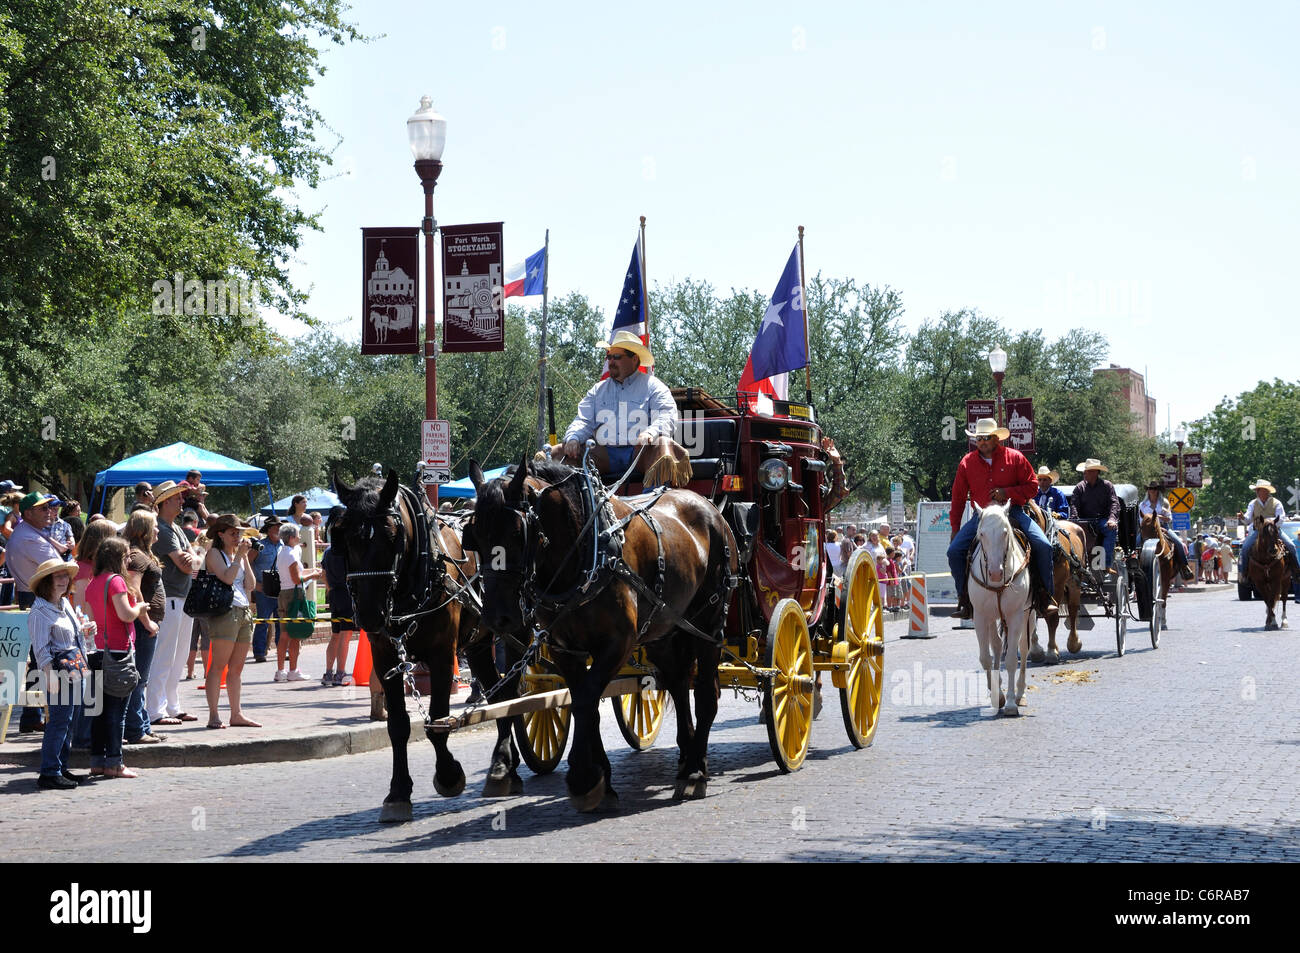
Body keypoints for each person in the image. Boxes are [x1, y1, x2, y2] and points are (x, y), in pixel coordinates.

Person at [550, 330, 691, 487]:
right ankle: (576, 507)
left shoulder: (654, 386)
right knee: (558, 452)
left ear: (634, 359)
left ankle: (653, 503)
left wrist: (650, 433)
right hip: (605, 455)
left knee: (663, 444)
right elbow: (583, 420)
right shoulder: (598, 390)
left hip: (640, 453)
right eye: (609, 357)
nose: (611, 362)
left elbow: (667, 416)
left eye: (617, 357)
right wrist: (573, 438)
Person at [947, 418, 1057, 619]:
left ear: (996, 438)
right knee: (954, 552)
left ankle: (1044, 596)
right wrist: (955, 528)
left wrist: (1007, 493)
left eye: (986, 438)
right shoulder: (966, 463)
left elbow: (1032, 487)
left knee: (1043, 546)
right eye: (978, 439)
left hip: (1013, 512)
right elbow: (958, 498)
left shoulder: (1015, 458)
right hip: (982, 517)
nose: (982, 442)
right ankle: (964, 599)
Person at [86, 537, 152, 778]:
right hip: (118, 651)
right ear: (117, 557)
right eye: (126, 556)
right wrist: (141, 609)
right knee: (117, 711)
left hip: (98, 650)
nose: (128, 561)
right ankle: (115, 762)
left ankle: (97, 760)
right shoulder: (116, 581)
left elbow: (93, 618)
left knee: (99, 710)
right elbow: (125, 615)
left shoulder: (94, 583)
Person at [28, 558, 94, 789]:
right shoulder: (39, 610)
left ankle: (59, 767)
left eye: (66, 576)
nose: (64, 581)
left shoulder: (64, 603)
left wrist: (87, 629)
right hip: (60, 671)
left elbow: (74, 635)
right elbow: (41, 648)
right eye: (58, 577)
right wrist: (49, 675)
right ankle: (49, 772)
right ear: (46, 582)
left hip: (75, 667)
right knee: (59, 722)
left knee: (69, 721)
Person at [6, 492, 65, 732]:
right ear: (28, 513)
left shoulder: (28, 534)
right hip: (39, 597)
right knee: (43, 658)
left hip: (33, 596)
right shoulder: (30, 538)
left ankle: (33, 715)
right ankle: (36, 715)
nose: (48, 512)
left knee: (40, 660)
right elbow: (59, 566)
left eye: (49, 508)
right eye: (42, 509)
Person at [146, 481, 200, 727]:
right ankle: (155, 709)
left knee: (178, 657)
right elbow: (187, 564)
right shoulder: (163, 529)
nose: (182, 501)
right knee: (165, 655)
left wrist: (192, 557)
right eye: (177, 498)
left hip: (182, 597)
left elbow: (194, 559)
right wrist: (192, 557)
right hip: (169, 598)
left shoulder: (175, 528)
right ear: (165, 501)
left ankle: (172, 705)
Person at [202, 515, 261, 728]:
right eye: (233, 533)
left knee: (237, 669)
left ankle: (236, 714)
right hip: (225, 613)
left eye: (239, 533)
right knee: (218, 666)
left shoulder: (239, 555)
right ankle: (213, 714)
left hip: (243, 611)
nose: (237, 537)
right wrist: (238, 558)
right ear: (221, 534)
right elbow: (226, 578)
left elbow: (251, 584)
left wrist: (244, 557)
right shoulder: (214, 554)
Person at [122, 511, 165, 745]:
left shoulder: (142, 553)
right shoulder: (137, 556)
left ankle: (142, 726)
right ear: (145, 529)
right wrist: (146, 620)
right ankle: (136, 729)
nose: (158, 530)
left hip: (146, 624)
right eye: (155, 526)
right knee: (139, 678)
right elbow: (133, 587)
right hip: (142, 626)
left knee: (142, 678)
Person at [273, 522, 322, 682]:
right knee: (294, 634)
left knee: (284, 634)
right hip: (294, 595)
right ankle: (293, 670)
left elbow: (295, 574)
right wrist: (313, 576)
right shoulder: (292, 554)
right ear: (292, 537)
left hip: (283, 593)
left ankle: (281, 671)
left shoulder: (282, 551)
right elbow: (297, 579)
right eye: (298, 535)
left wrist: (310, 571)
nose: (300, 537)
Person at [320, 506, 355, 686]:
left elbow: (323, 573)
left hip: (334, 594)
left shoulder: (327, 551)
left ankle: (328, 673)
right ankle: (340, 673)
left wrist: (329, 589)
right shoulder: (347, 551)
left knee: (335, 635)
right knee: (345, 635)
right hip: (346, 594)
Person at [1238, 479, 1299, 576]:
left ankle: (1296, 571)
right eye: (1257, 490)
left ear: (1266, 491)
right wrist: (1242, 517)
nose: (1257, 492)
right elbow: (1248, 519)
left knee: (1291, 546)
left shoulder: (1276, 503)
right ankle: (1244, 573)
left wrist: (1269, 523)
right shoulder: (1253, 503)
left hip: (1274, 531)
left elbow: (1281, 518)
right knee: (1245, 548)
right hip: (1258, 531)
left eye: (1260, 490)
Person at [1069, 459, 1121, 570]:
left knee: (1110, 529)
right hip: (1083, 521)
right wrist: (1074, 519)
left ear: (1095, 472)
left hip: (1102, 520)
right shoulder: (1079, 487)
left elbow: (1114, 504)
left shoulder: (1107, 486)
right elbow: (1074, 504)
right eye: (1085, 471)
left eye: (1086, 471)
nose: (1084, 474)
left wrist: (1112, 519)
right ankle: (1073, 564)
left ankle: (1106, 565)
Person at [1139, 480, 1193, 581]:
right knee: (1136, 544)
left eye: (1155, 489)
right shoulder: (1143, 505)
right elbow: (1141, 519)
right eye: (1151, 489)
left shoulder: (1164, 503)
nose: (1153, 491)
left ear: (1158, 490)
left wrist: (1160, 519)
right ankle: (1133, 567)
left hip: (1164, 527)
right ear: (1148, 491)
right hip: (1147, 529)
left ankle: (1185, 567)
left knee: (1179, 543)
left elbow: (1169, 518)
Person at [250, 516, 285, 663]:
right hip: (263, 588)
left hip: (282, 588)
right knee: (262, 621)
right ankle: (259, 652)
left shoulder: (285, 545)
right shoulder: (259, 546)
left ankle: (282, 650)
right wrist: (255, 584)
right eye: (274, 527)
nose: (277, 529)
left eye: (279, 526)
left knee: (282, 621)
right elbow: (248, 562)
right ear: (268, 530)